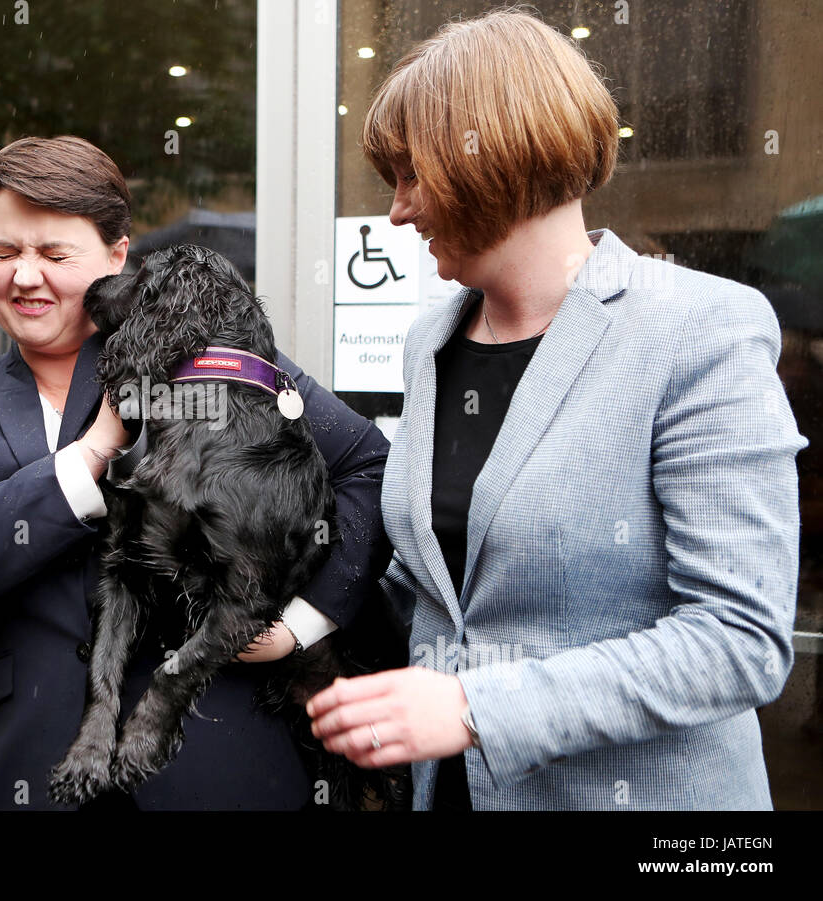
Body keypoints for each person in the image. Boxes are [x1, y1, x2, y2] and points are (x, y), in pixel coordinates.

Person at [307, 7, 808, 810]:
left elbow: (738, 641)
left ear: (494, 156)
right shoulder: (432, 340)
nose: (398, 211)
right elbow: (434, 584)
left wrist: (476, 708)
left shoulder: (698, 328)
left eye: (411, 175)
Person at [0, 135, 393, 810]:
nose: (24, 275)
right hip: (32, 770)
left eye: (54, 254)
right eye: (4, 252)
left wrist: (303, 622)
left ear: (116, 256)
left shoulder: (210, 356)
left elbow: (367, 462)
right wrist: (94, 450)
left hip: (219, 763)